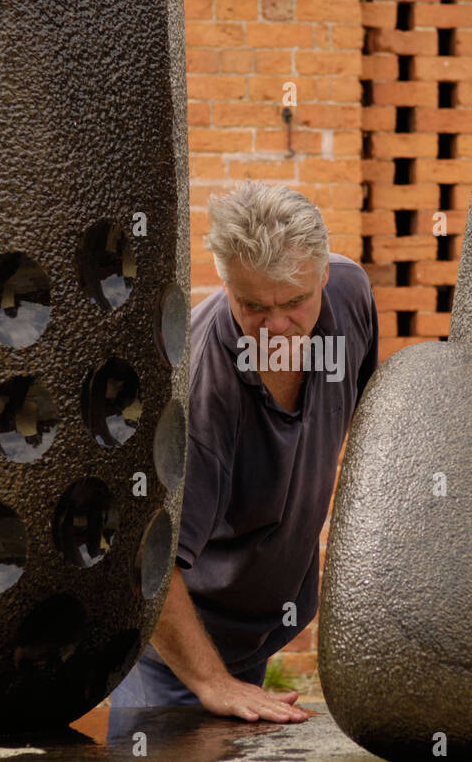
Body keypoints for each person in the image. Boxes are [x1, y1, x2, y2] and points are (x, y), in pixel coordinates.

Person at [109, 181, 379, 722]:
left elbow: (370, 424)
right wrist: (211, 681)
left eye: (295, 302)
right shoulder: (202, 389)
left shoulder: (349, 294)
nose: (276, 326)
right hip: (176, 650)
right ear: (225, 281)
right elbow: (146, 560)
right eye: (253, 305)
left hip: (264, 624)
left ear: (324, 273)